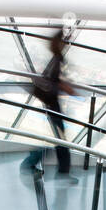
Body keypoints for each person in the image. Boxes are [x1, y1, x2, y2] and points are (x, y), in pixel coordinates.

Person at [29, 30, 76, 181]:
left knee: (59, 138)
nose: (66, 43)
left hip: (51, 103)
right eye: (64, 41)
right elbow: (56, 80)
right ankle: (29, 164)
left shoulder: (56, 57)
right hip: (53, 105)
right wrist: (67, 88)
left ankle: (62, 171)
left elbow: (51, 78)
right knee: (60, 139)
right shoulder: (58, 59)